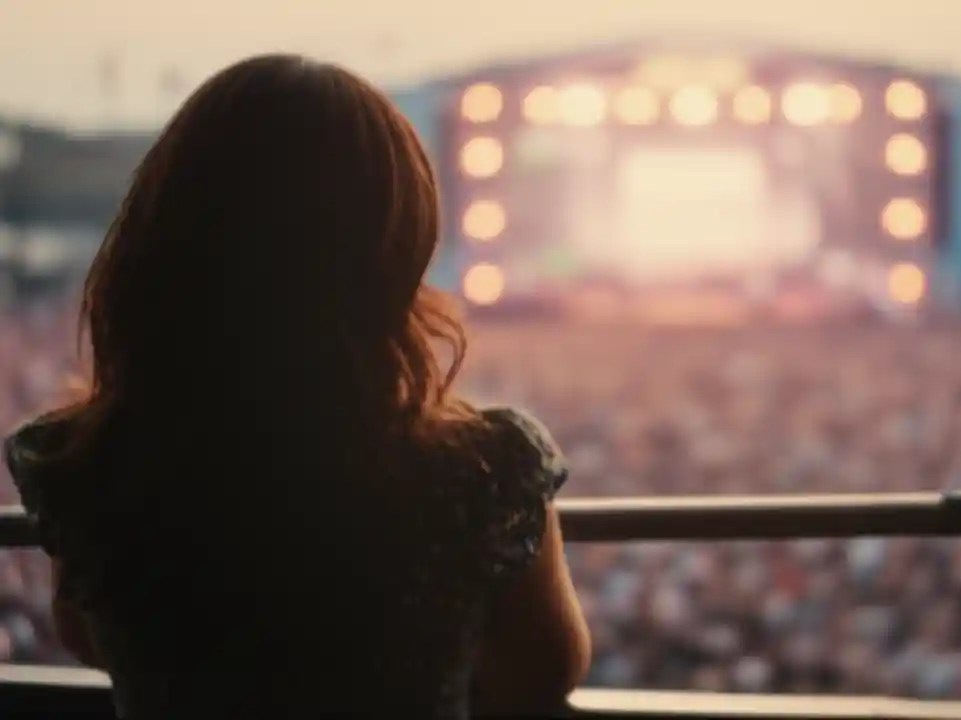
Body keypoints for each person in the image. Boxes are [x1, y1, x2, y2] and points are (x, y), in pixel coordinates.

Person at [3, 54, 590, 718]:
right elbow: (543, 671)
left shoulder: (83, 467)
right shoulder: (486, 470)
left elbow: (89, 637)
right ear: (395, 242)